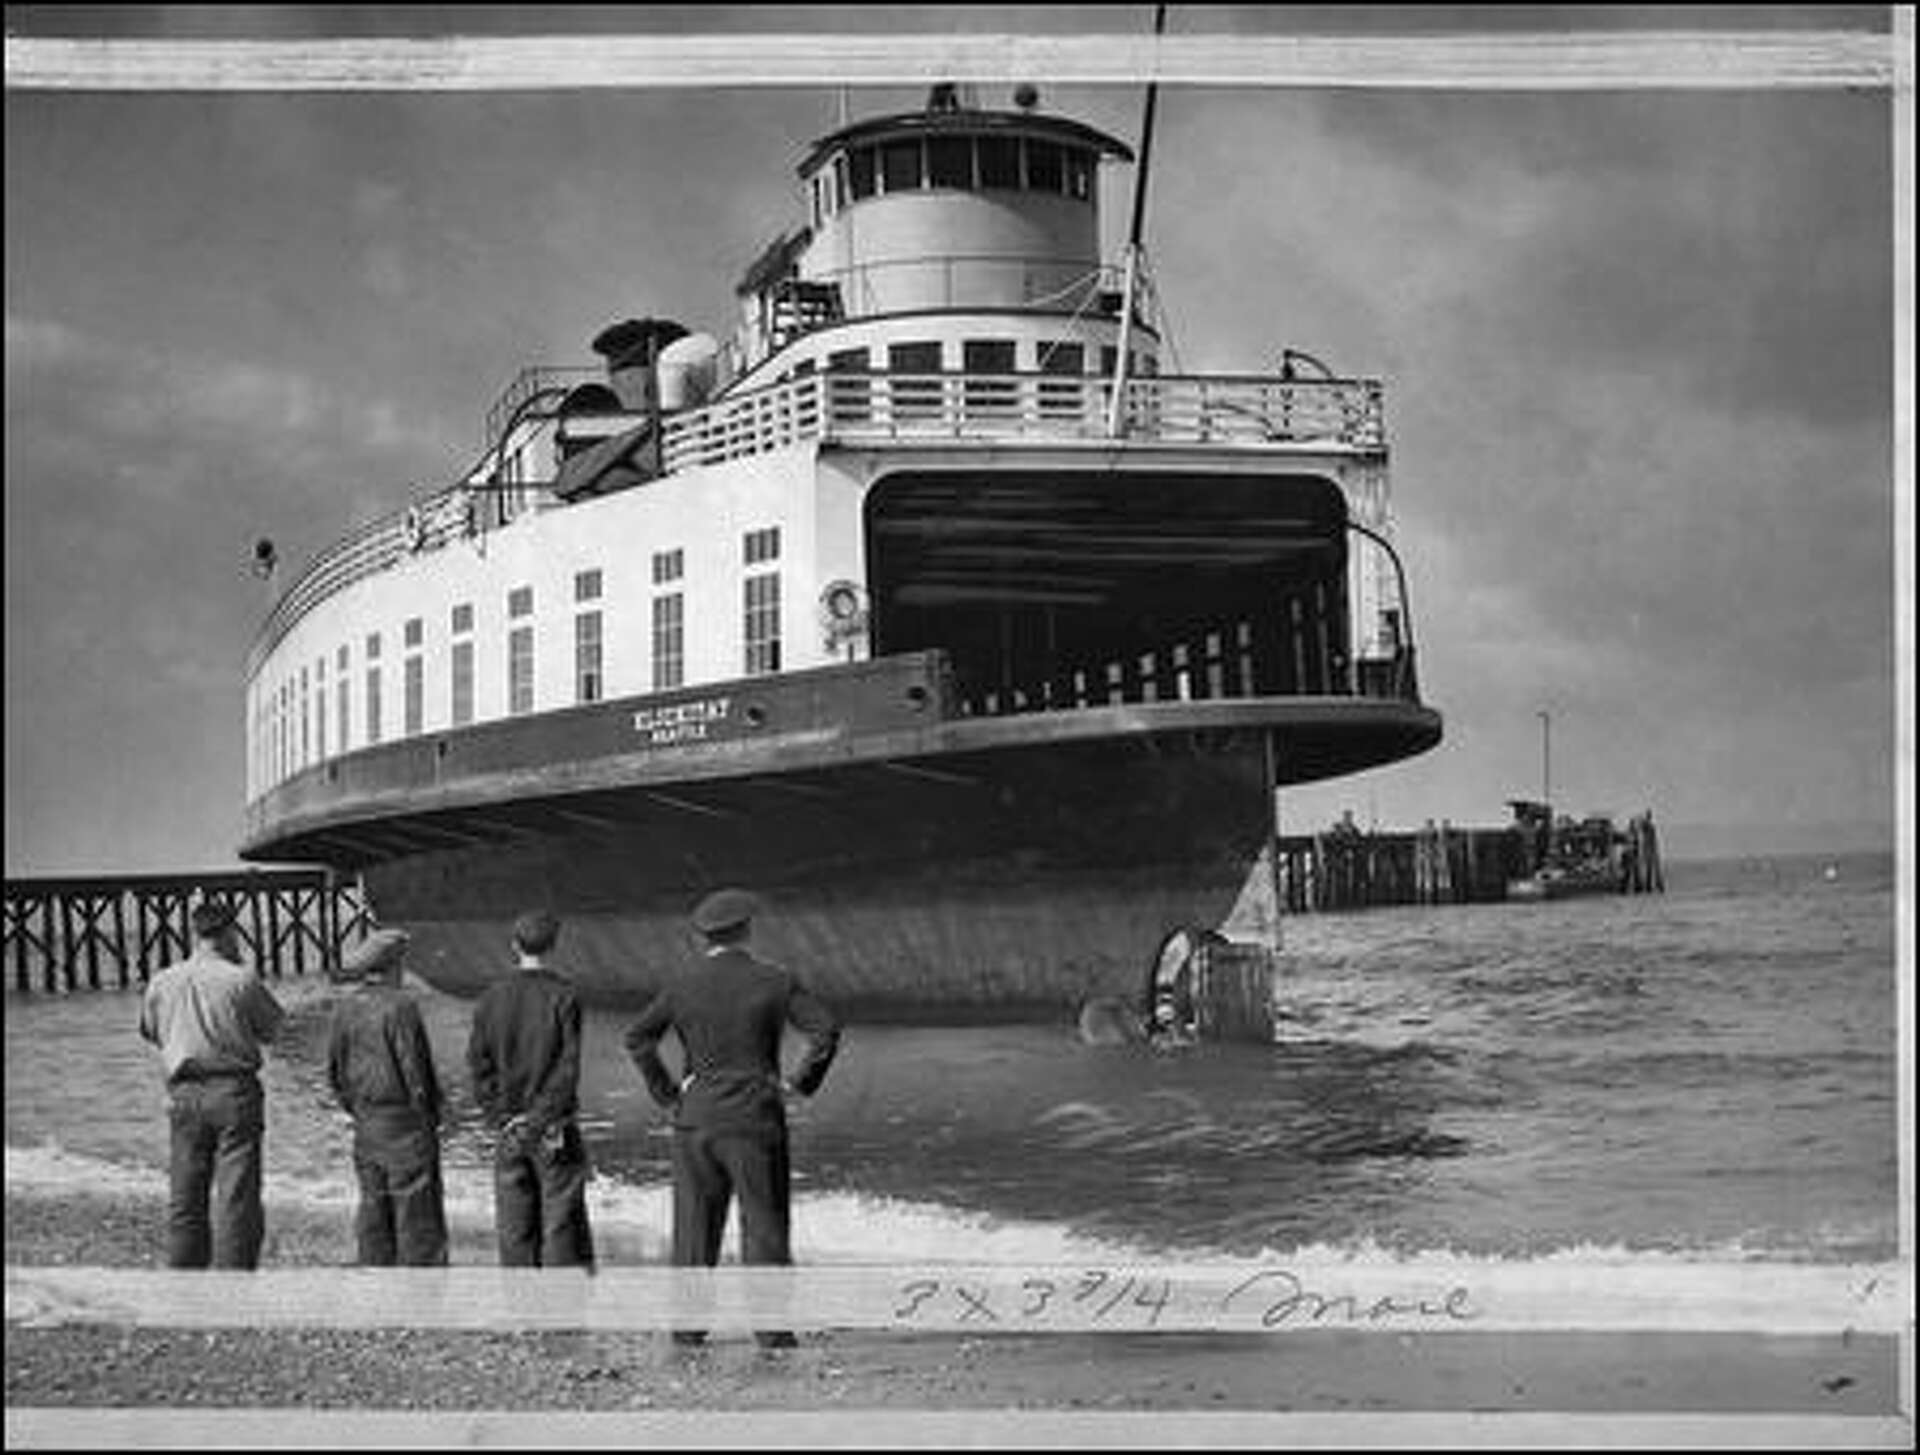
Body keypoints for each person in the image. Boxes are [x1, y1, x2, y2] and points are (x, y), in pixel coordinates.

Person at [624, 888, 841, 1350]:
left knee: (695, 1226)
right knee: (763, 1224)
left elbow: (638, 1038)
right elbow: (825, 1030)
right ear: (746, 929)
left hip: (696, 1117)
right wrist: (800, 1082)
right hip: (755, 1117)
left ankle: (687, 1329)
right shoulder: (775, 979)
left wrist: (667, 1092)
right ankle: (771, 1331)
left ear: (705, 936)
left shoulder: (681, 982)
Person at [137, 898, 286, 1270]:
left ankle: (186, 1280)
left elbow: (151, 1032)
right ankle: (234, 1283)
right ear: (231, 931)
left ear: (194, 931)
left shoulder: (162, 980)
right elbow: (274, 1031)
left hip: (183, 1092)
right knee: (236, 1196)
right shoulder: (241, 979)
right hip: (233, 1091)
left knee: (185, 1194)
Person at [466, 909, 595, 1268]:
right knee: (559, 1220)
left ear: (513, 945)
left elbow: (478, 1064)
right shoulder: (565, 995)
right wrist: (540, 1119)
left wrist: (499, 1117)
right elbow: (568, 1070)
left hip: (509, 1128)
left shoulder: (491, 996)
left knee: (513, 1220)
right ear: (554, 945)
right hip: (553, 1128)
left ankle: (521, 1309)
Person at [326, 927, 449, 1267]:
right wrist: (431, 1119)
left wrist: (358, 1111)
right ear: (396, 964)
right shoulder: (402, 1007)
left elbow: (335, 1074)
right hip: (405, 1125)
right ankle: (419, 1300)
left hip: (367, 1124)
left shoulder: (346, 1008)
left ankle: (376, 1291)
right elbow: (417, 1075)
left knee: (373, 1210)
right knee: (418, 1218)